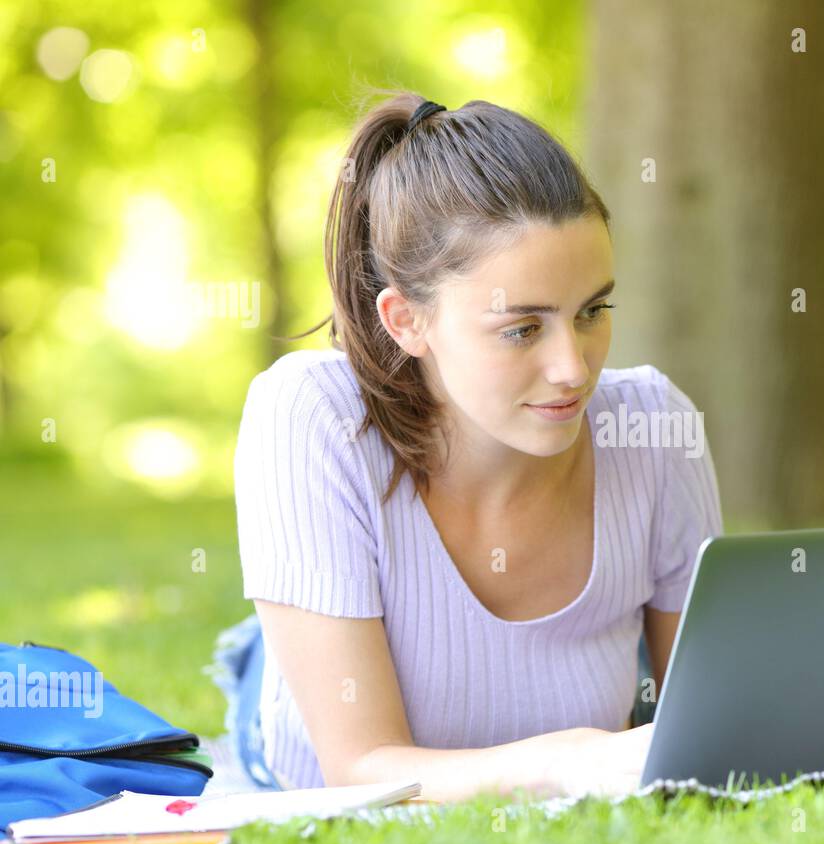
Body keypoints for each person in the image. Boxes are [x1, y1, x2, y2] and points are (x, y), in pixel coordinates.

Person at [220, 91, 723, 804]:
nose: (573, 370)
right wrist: (570, 762)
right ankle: (263, 647)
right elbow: (357, 769)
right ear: (406, 321)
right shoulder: (313, 415)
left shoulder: (651, 424)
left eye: (592, 311)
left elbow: (715, 728)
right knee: (284, 664)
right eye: (522, 329)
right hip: (302, 729)